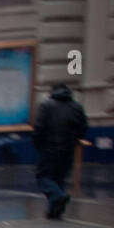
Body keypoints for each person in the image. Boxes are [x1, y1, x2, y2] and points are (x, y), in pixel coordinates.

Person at [32, 83, 87, 219]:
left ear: (53, 91)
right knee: (59, 179)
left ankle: (57, 196)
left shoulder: (46, 105)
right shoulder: (77, 107)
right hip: (68, 149)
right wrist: (74, 141)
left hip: (49, 148)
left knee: (43, 177)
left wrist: (37, 144)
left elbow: (39, 127)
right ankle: (55, 211)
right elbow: (83, 127)